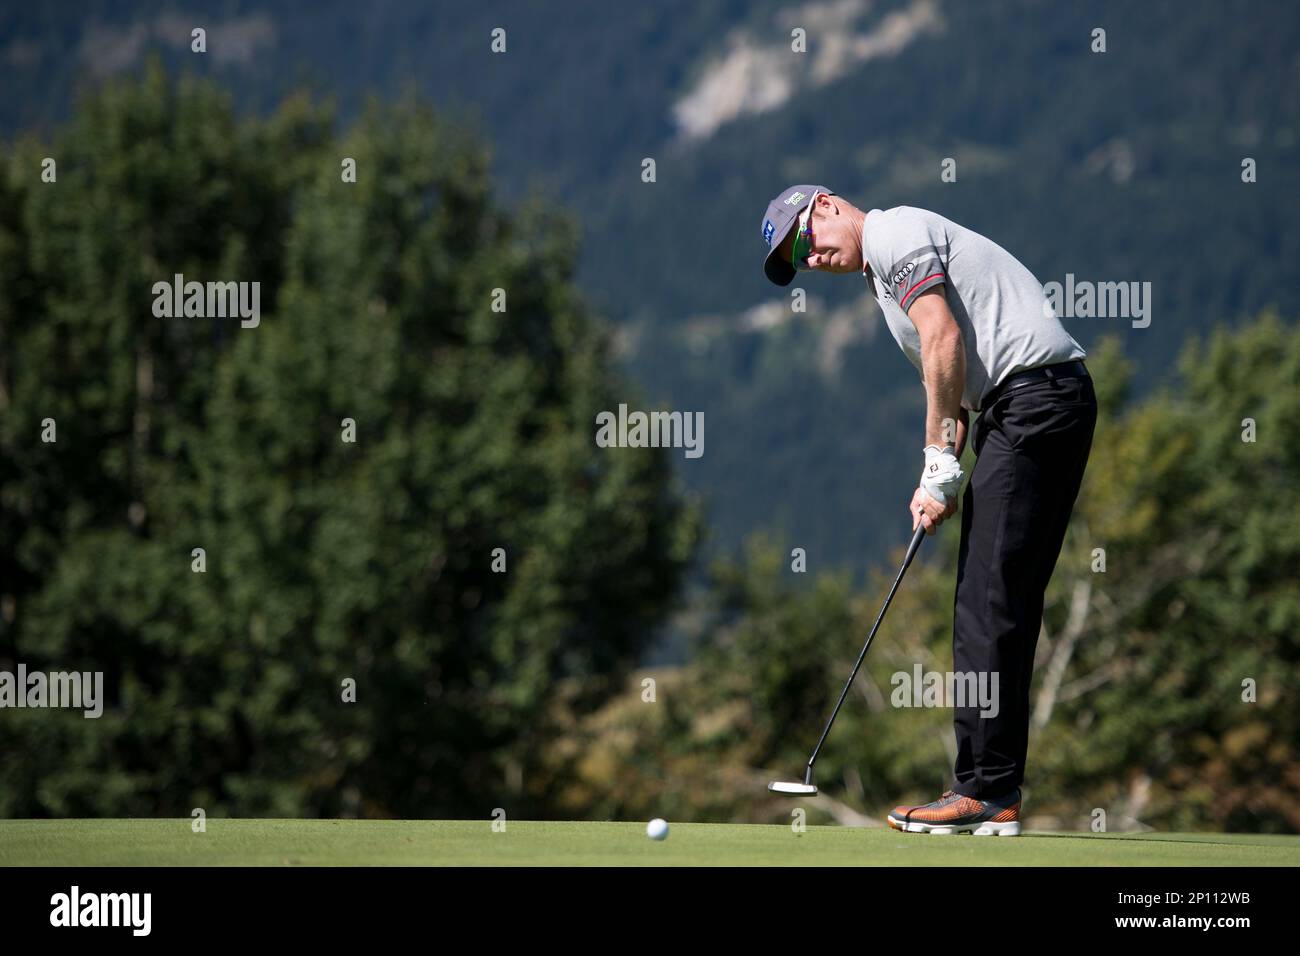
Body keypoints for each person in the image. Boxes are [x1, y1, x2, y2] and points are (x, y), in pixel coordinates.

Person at [758, 186, 1097, 835]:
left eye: (805, 240)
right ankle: (988, 788)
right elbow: (955, 388)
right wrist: (934, 475)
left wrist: (938, 464)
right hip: (1026, 406)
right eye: (798, 260)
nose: (811, 258)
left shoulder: (893, 235)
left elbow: (943, 341)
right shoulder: (883, 287)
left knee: (988, 603)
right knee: (996, 600)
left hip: (1034, 401)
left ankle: (985, 792)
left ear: (826, 206)